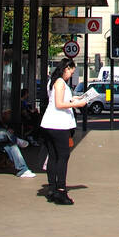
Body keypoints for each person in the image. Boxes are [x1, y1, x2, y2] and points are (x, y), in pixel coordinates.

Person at [39, 59, 87, 205]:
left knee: (53, 157)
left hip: (49, 124)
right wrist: (77, 104)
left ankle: (52, 189)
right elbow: (59, 104)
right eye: (71, 72)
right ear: (66, 68)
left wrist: (73, 98)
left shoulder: (52, 81)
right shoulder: (60, 82)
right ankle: (61, 191)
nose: (70, 75)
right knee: (63, 157)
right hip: (58, 125)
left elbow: (55, 101)